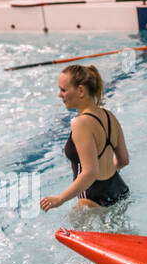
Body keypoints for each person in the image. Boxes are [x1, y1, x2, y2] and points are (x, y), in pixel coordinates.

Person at [41, 65, 130, 211]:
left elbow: (90, 172)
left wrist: (60, 199)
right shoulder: (109, 116)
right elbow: (124, 160)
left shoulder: (80, 123)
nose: (60, 95)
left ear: (81, 90)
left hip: (93, 198)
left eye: (63, 90)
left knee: (69, 233)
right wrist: (107, 179)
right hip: (118, 188)